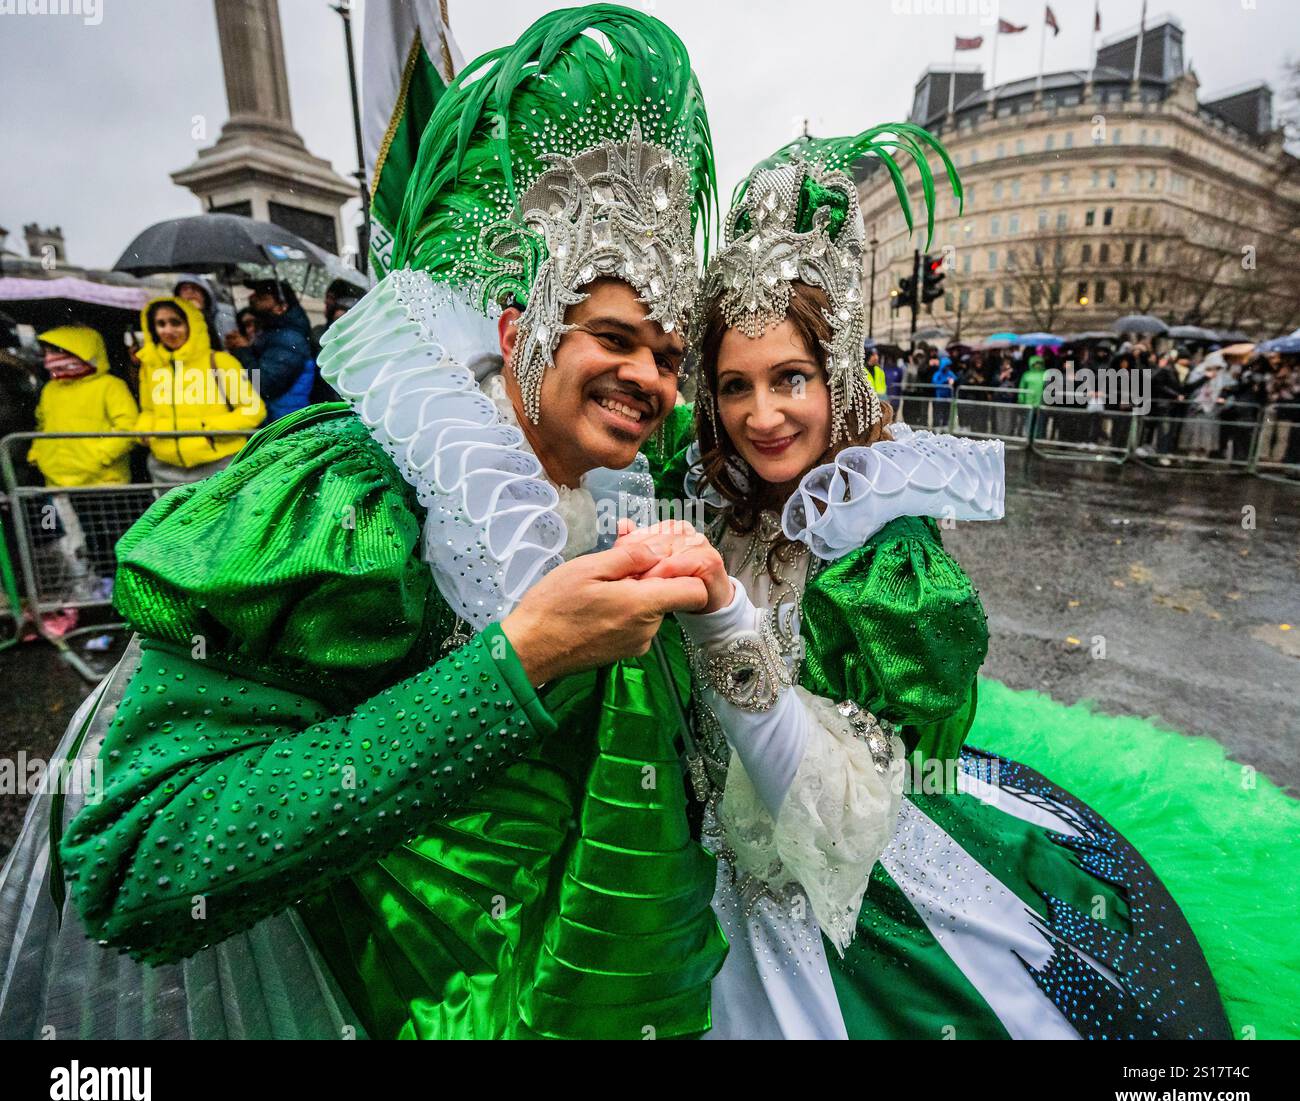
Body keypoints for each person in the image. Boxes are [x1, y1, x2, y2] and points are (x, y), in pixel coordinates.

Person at [0, 7, 727, 1041]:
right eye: (615, 337)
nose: (649, 378)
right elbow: (137, 864)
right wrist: (517, 663)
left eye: (668, 353)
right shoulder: (360, 491)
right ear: (519, 329)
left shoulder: (603, 483)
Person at [646, 131, 1286, 1040]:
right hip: (698, 876)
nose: (763, 415)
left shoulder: (876, 544)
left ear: (836, 378)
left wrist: (725, 622)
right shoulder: (714, 498)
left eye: (791, 377)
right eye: (735, 385)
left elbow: (841, 815)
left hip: (840, 882)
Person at [27, 326, 139, 594]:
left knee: (114, 535)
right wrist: (37, 453)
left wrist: (98, 458)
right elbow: (44, 424)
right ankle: (98, 588)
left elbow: (128, 428)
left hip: (104, 482)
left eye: (59, 351)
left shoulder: (110, 386)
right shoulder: (51, 390)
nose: (51, 358)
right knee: (77, 538)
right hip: (61, 481)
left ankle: (125, 587)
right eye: (48, 352)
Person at [134, 297, 266, 484]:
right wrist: (144, 430)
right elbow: (148, 410)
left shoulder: (221, 362)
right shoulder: (150, 366)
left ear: (191, 325)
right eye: (160, 324)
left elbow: (253, 411)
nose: (168, 330)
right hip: (165, 468)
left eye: (176, 323)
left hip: (218, 465)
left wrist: (208, 429)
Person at [242, 278, 315, 421]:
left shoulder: (288, 339)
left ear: (281, 307)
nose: (252, 298)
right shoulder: (274, 333)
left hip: (281, 424)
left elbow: (263, 385)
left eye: (261, 297)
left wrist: (243, 351)